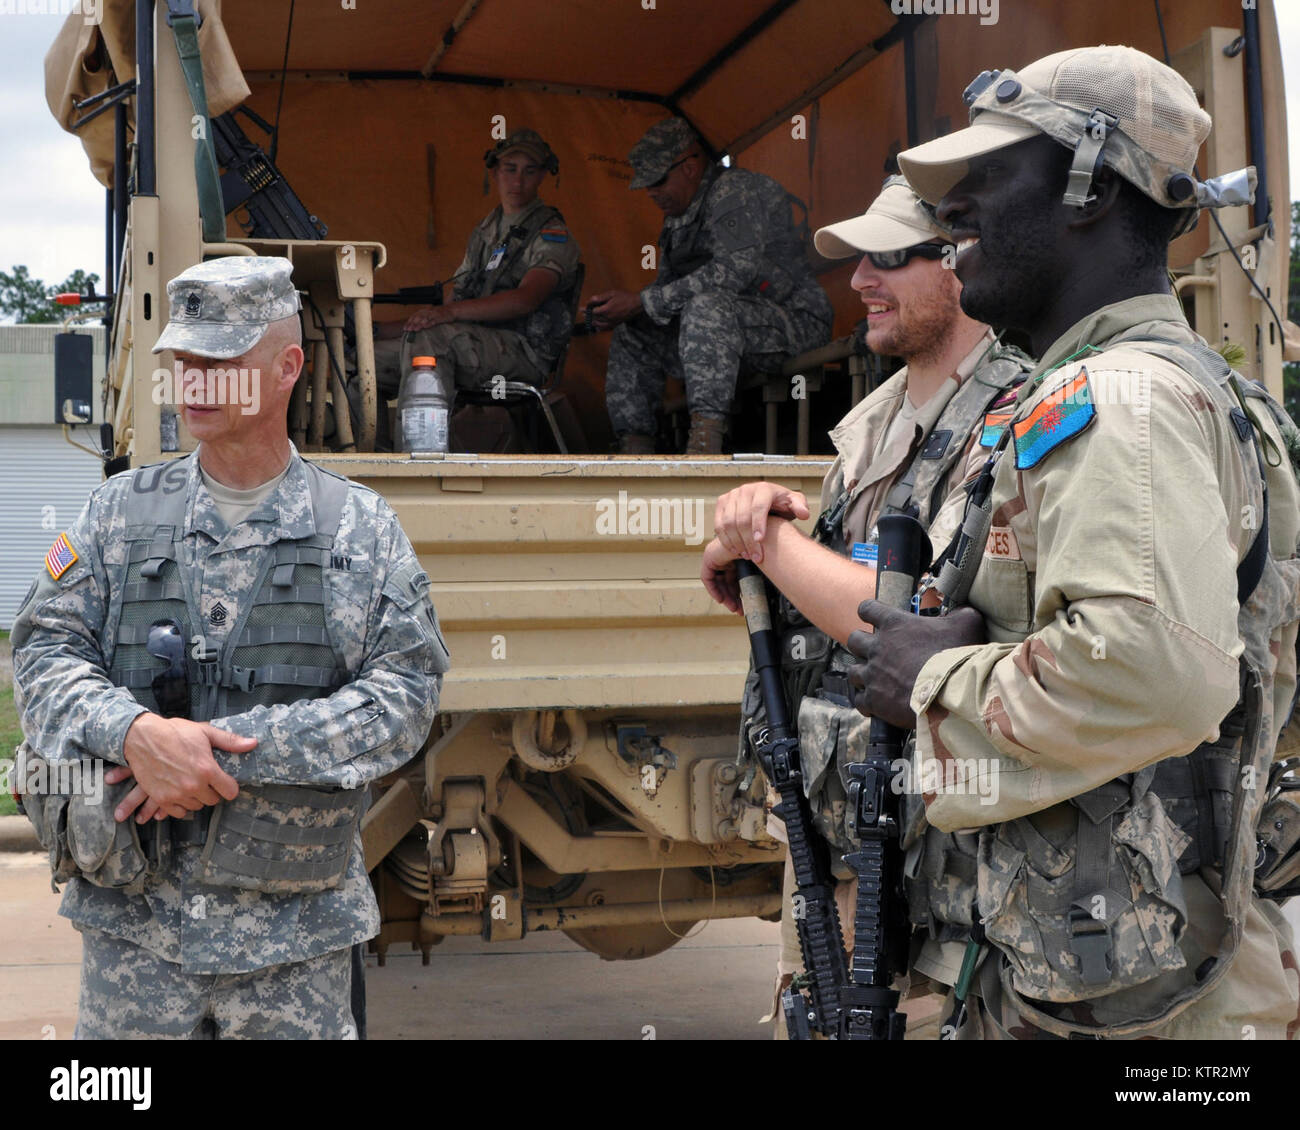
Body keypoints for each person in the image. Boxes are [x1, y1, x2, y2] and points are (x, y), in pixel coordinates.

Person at [848, 45, 1300, 1039]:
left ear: (1091, 190)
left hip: (1146, 1008)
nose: (951, 214)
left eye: (983, 180)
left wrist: (931, 678)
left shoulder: (1118, 400)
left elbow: (1152, 667)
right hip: (1133, 978)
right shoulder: (1165, 387)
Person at [11, 256, 450, 1039]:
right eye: (185, 361)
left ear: (287, 368)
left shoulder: (359, 528)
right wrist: (136, 735)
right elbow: (42, 650)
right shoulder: (118, 514)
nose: (196, 382)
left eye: (221, 361)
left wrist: (222, 757)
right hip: (134, 945)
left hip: (294, 952)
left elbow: (406, 697)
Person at [698, 177, 1032, 1035]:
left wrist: (766, 546)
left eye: (889, 257)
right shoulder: (873, 427)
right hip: (835, 842)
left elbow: (899, 622)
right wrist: (758, 558)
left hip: (936, 867)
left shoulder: (1016, 415)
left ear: (957, 266)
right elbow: (831, 602)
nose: (859, 282)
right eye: (858, 260)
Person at [592, 117, 833, 454]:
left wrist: (643, 302)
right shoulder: (679, 216)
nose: (652, 192)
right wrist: (629, 310)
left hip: (793, 322)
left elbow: (736, 270)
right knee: (635, 330)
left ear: (690, 166)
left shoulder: (733, 191)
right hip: (728, 330)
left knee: (705, 308)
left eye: (659, 181)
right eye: (647, 185)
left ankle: (704, 445)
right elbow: (667, 290)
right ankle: (635, 449)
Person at [365, 128, 582, 449]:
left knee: (430, 344)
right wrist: (376, 330)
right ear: (494, 172)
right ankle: (370, 464)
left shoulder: (550, 232)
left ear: (543, 177)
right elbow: (446, 310)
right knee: (361, 361)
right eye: (510, 169)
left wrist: (445, 313)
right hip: (471, 346)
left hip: (525, 353)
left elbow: (525, 299)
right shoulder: (486, 232)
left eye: (530, 171)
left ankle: (419, 463)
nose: (518, 181)